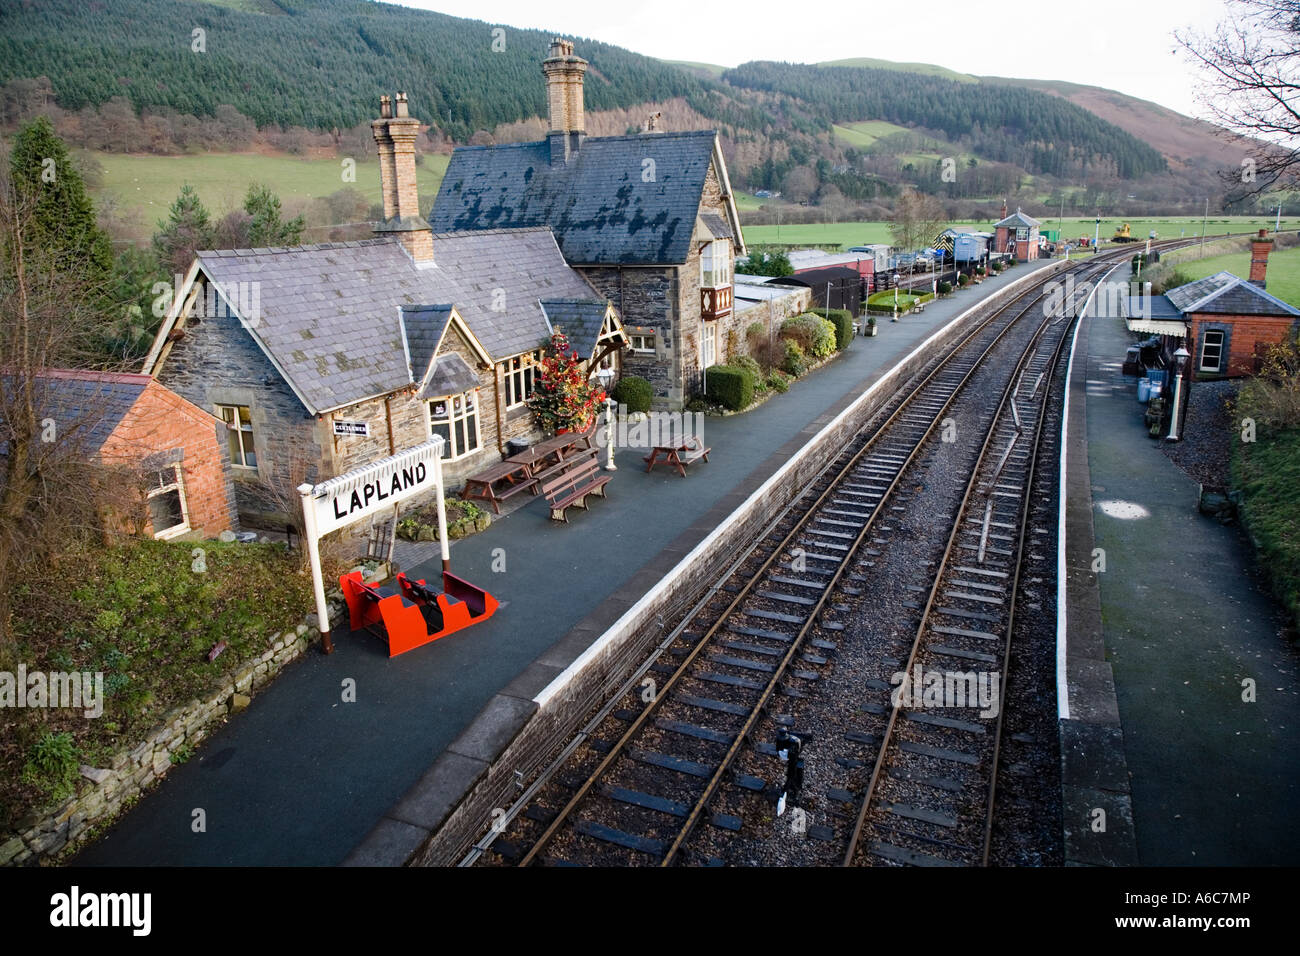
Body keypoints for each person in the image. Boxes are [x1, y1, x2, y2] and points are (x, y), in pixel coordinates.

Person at [775, 729, 804, 817]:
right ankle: (791, 788)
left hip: (793, 760)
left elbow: (798, 742)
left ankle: (793, 789)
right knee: (791, 773)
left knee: (792, 773)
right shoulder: (782, 740)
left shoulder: (792, 741)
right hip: (791, 759)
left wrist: (795, 751)